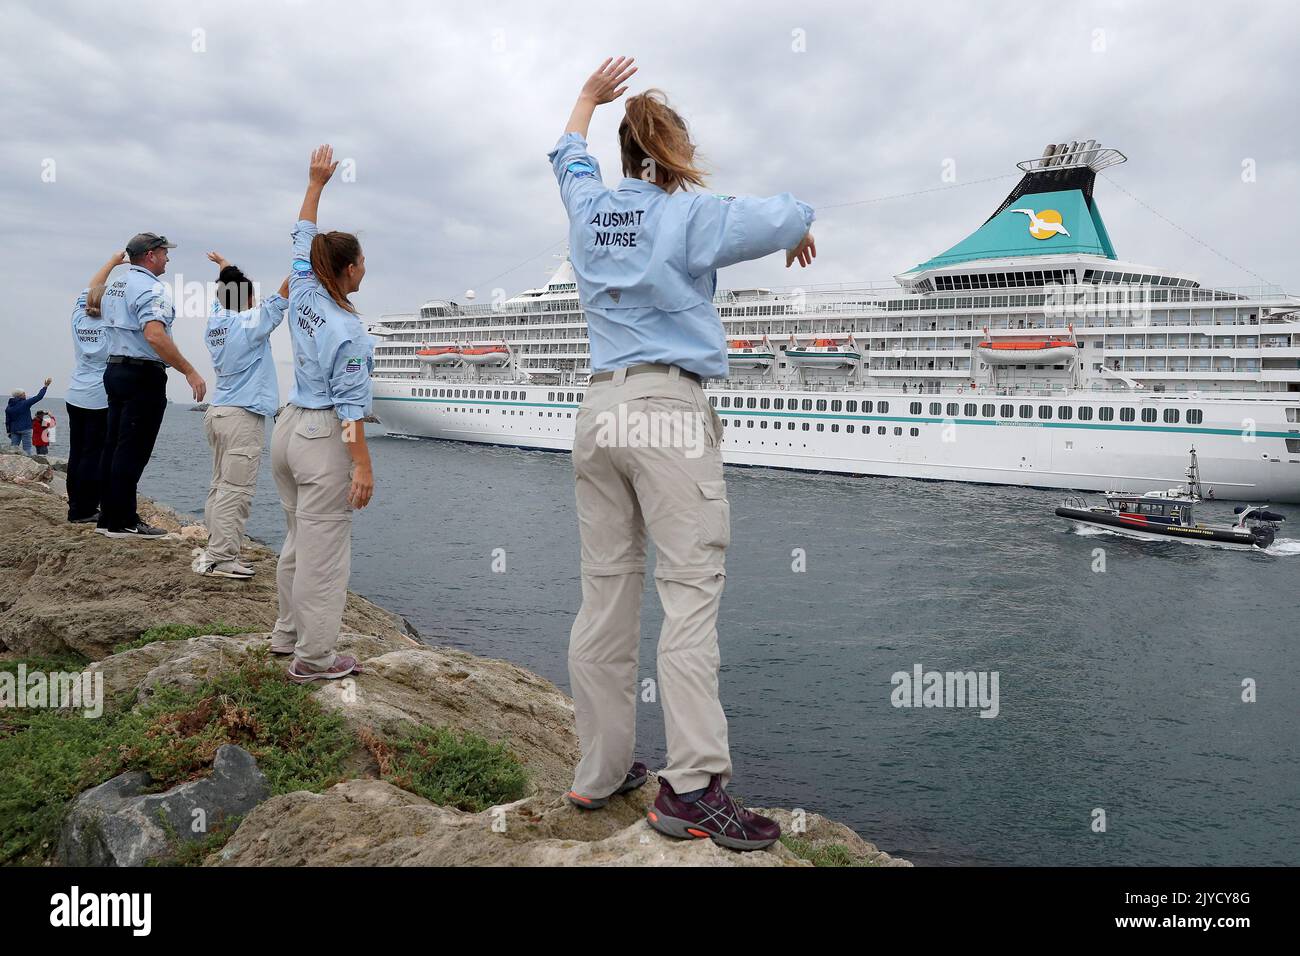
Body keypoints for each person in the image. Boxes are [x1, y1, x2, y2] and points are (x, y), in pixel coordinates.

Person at [551, 58, 816, 851]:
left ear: (625, 152)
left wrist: (586, 100)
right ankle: (693, 786)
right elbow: (788, 212)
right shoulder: (692, 214)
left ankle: (599, 771)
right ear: (670, 153)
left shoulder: (588, 207)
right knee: (689, 592)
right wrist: (803, 227)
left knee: (605, 592)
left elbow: (566, 155)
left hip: (597, 410)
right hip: (667, 408)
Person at [269, 145, 374, 683]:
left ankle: (286, 634)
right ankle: (313, 658)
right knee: (325, 555)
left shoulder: (305, 287)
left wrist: (315, 182)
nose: (364, 269)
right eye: (361, 262)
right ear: (350, 268)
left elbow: (300, 231)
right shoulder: (349, 331)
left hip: (286, 430)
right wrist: (362, 466)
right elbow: (352, 409)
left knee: (295, 539)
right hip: (321, 435)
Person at [97, 233, 207, 539]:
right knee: (133, 449)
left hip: (115, 369)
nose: (167, 258)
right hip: (142, 375)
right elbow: (155, 335)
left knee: (113, 446)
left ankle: (108, 517)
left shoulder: (116, 285)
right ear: (150, 256)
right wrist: (189, 370)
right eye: (164, 253)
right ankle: (123, 522)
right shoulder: (150, 288)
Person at [192, 251, 290, 580]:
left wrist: (224, 267)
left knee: (220, 485)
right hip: (242, 417)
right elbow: (280, 300)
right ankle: (220, 558)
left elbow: (228, 294)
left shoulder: (217, 321)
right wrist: (305, 263)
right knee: (237, 490)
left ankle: (217, 547)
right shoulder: (250, 323)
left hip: (218, 413)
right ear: (247, 298)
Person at [65, 252, 125, 523]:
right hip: (99, 398)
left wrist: (111, 262)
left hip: (74, 393)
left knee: (76, 452)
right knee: (94, 455)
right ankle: (86, 509)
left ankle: (76, 506)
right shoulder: (111, 326)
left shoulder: (78, 318)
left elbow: (91, 289)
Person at [6, 378, 51, 454]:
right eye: (24, 394)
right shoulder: (25, 403)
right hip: (25, 428)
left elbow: (8, 421)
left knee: (13, 448)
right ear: (20, 396)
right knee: (27, 448)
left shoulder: (9, 407)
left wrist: (8, 431)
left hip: (14, 429)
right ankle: (28, 463)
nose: (25, 395)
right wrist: (45, 386)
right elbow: (38, 397)